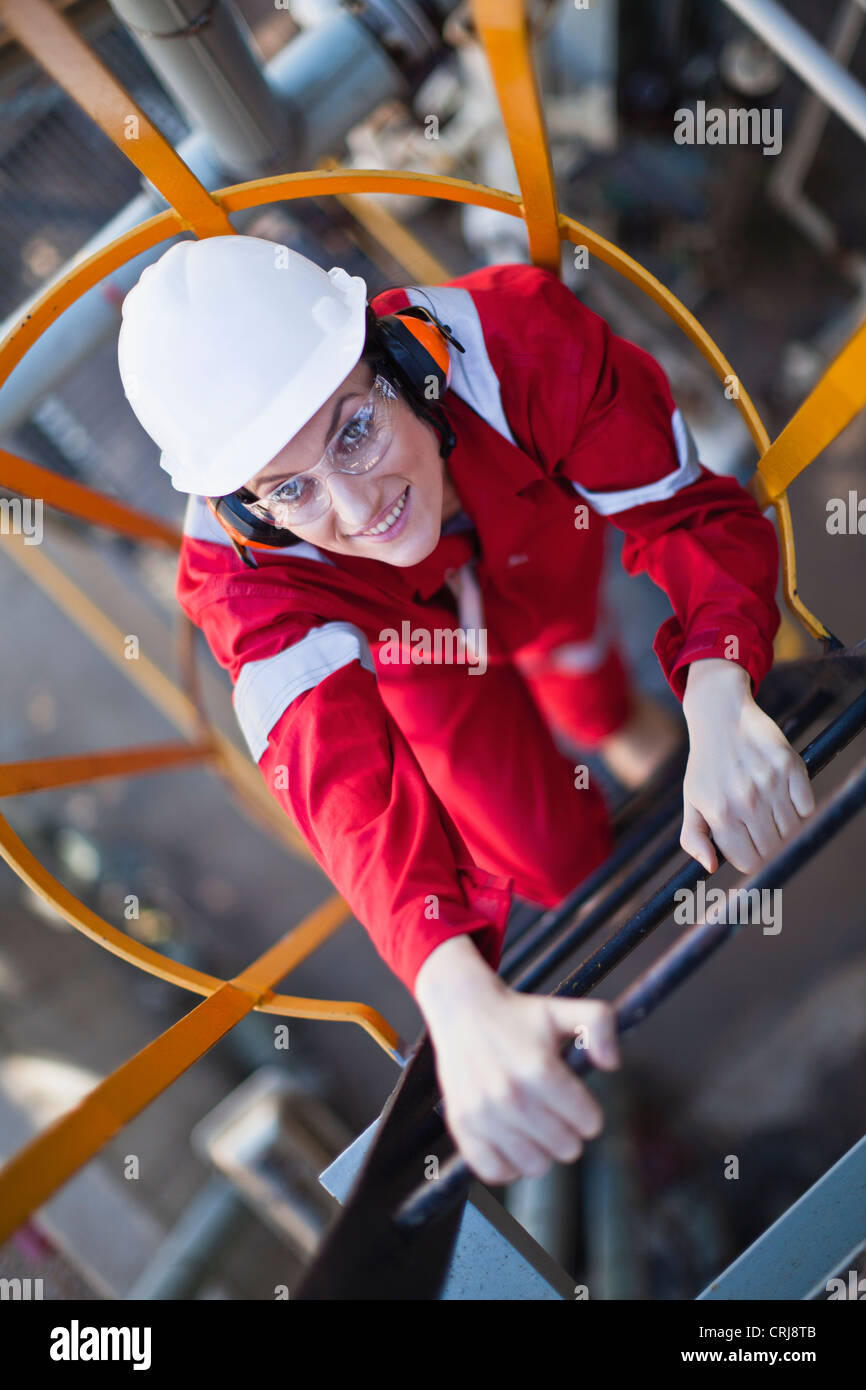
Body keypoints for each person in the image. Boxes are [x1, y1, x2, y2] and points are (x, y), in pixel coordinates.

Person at [117, 235, 815, 1186]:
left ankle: (636, 739)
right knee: (551, 857)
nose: (358, 508)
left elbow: (687, 516)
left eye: (353, 432)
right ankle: (647, 760)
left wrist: (724, 688)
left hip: (539, 571)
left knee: (587, 680)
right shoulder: (244, 579)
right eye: (291, 490)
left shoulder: (521, 343)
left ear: (402, 361)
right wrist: (452, 992)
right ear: (247, 513)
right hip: (422, 661)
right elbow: (340, 783)